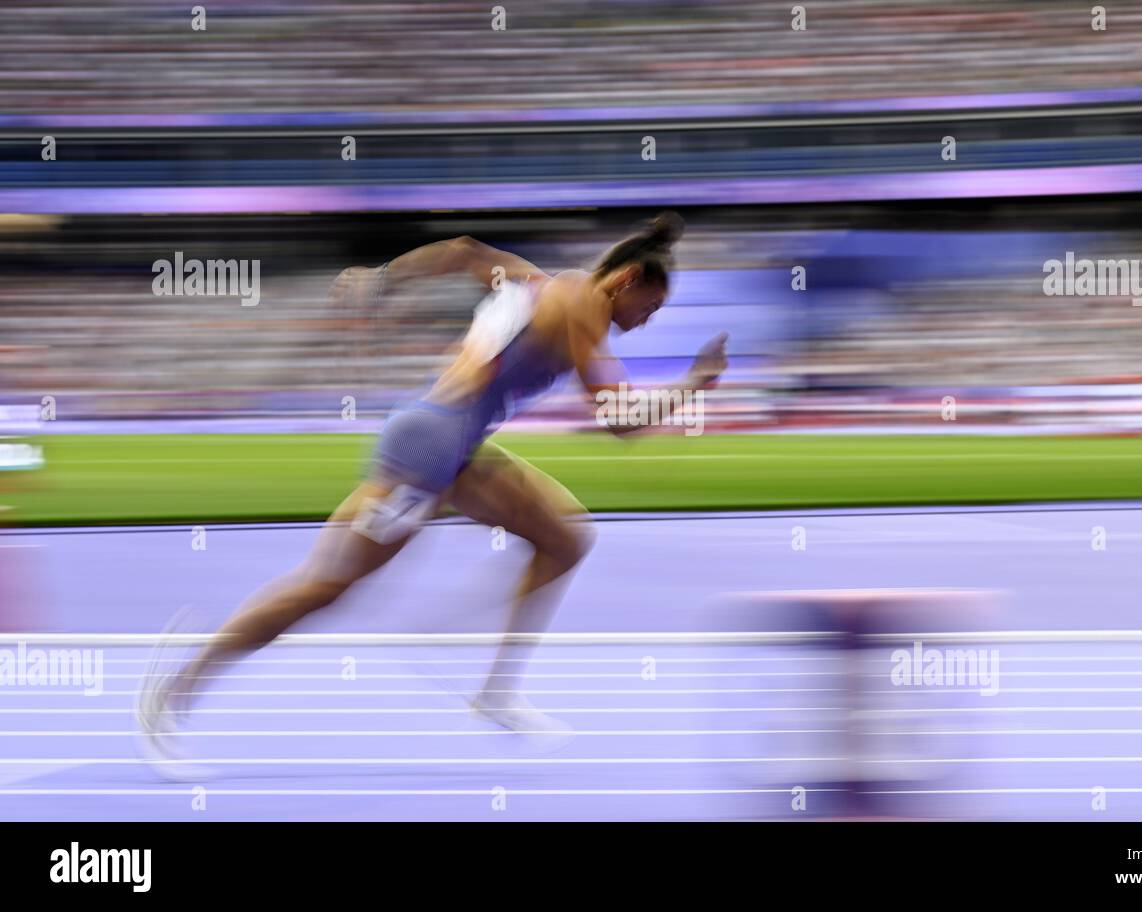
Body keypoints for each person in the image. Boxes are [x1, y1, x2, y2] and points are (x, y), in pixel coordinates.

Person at [137, 212, 728, 759]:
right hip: (427, 451)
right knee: (326, 586)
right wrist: (693, 385)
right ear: (626, 279)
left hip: (455, 449)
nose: (643, 322)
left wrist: (384, 278)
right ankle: (179, 686)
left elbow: (465, 251)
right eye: (648, 308)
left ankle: (494, 692)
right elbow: (618, 422)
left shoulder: (541, 282)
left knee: (566, 538)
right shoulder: (582, 304)